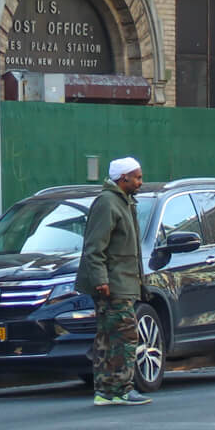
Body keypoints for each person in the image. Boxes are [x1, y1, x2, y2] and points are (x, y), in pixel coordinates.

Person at [77, 156, 150, 407]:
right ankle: (120, 388)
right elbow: (94, 247)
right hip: (114, 283)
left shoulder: (125, 202)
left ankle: (106, 391)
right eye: (137, 177)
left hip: (123, 282)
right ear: (124, 178)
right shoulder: (108, 203)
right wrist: (101, 280)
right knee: (125, 335)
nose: (141, 182)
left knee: (109, 336)